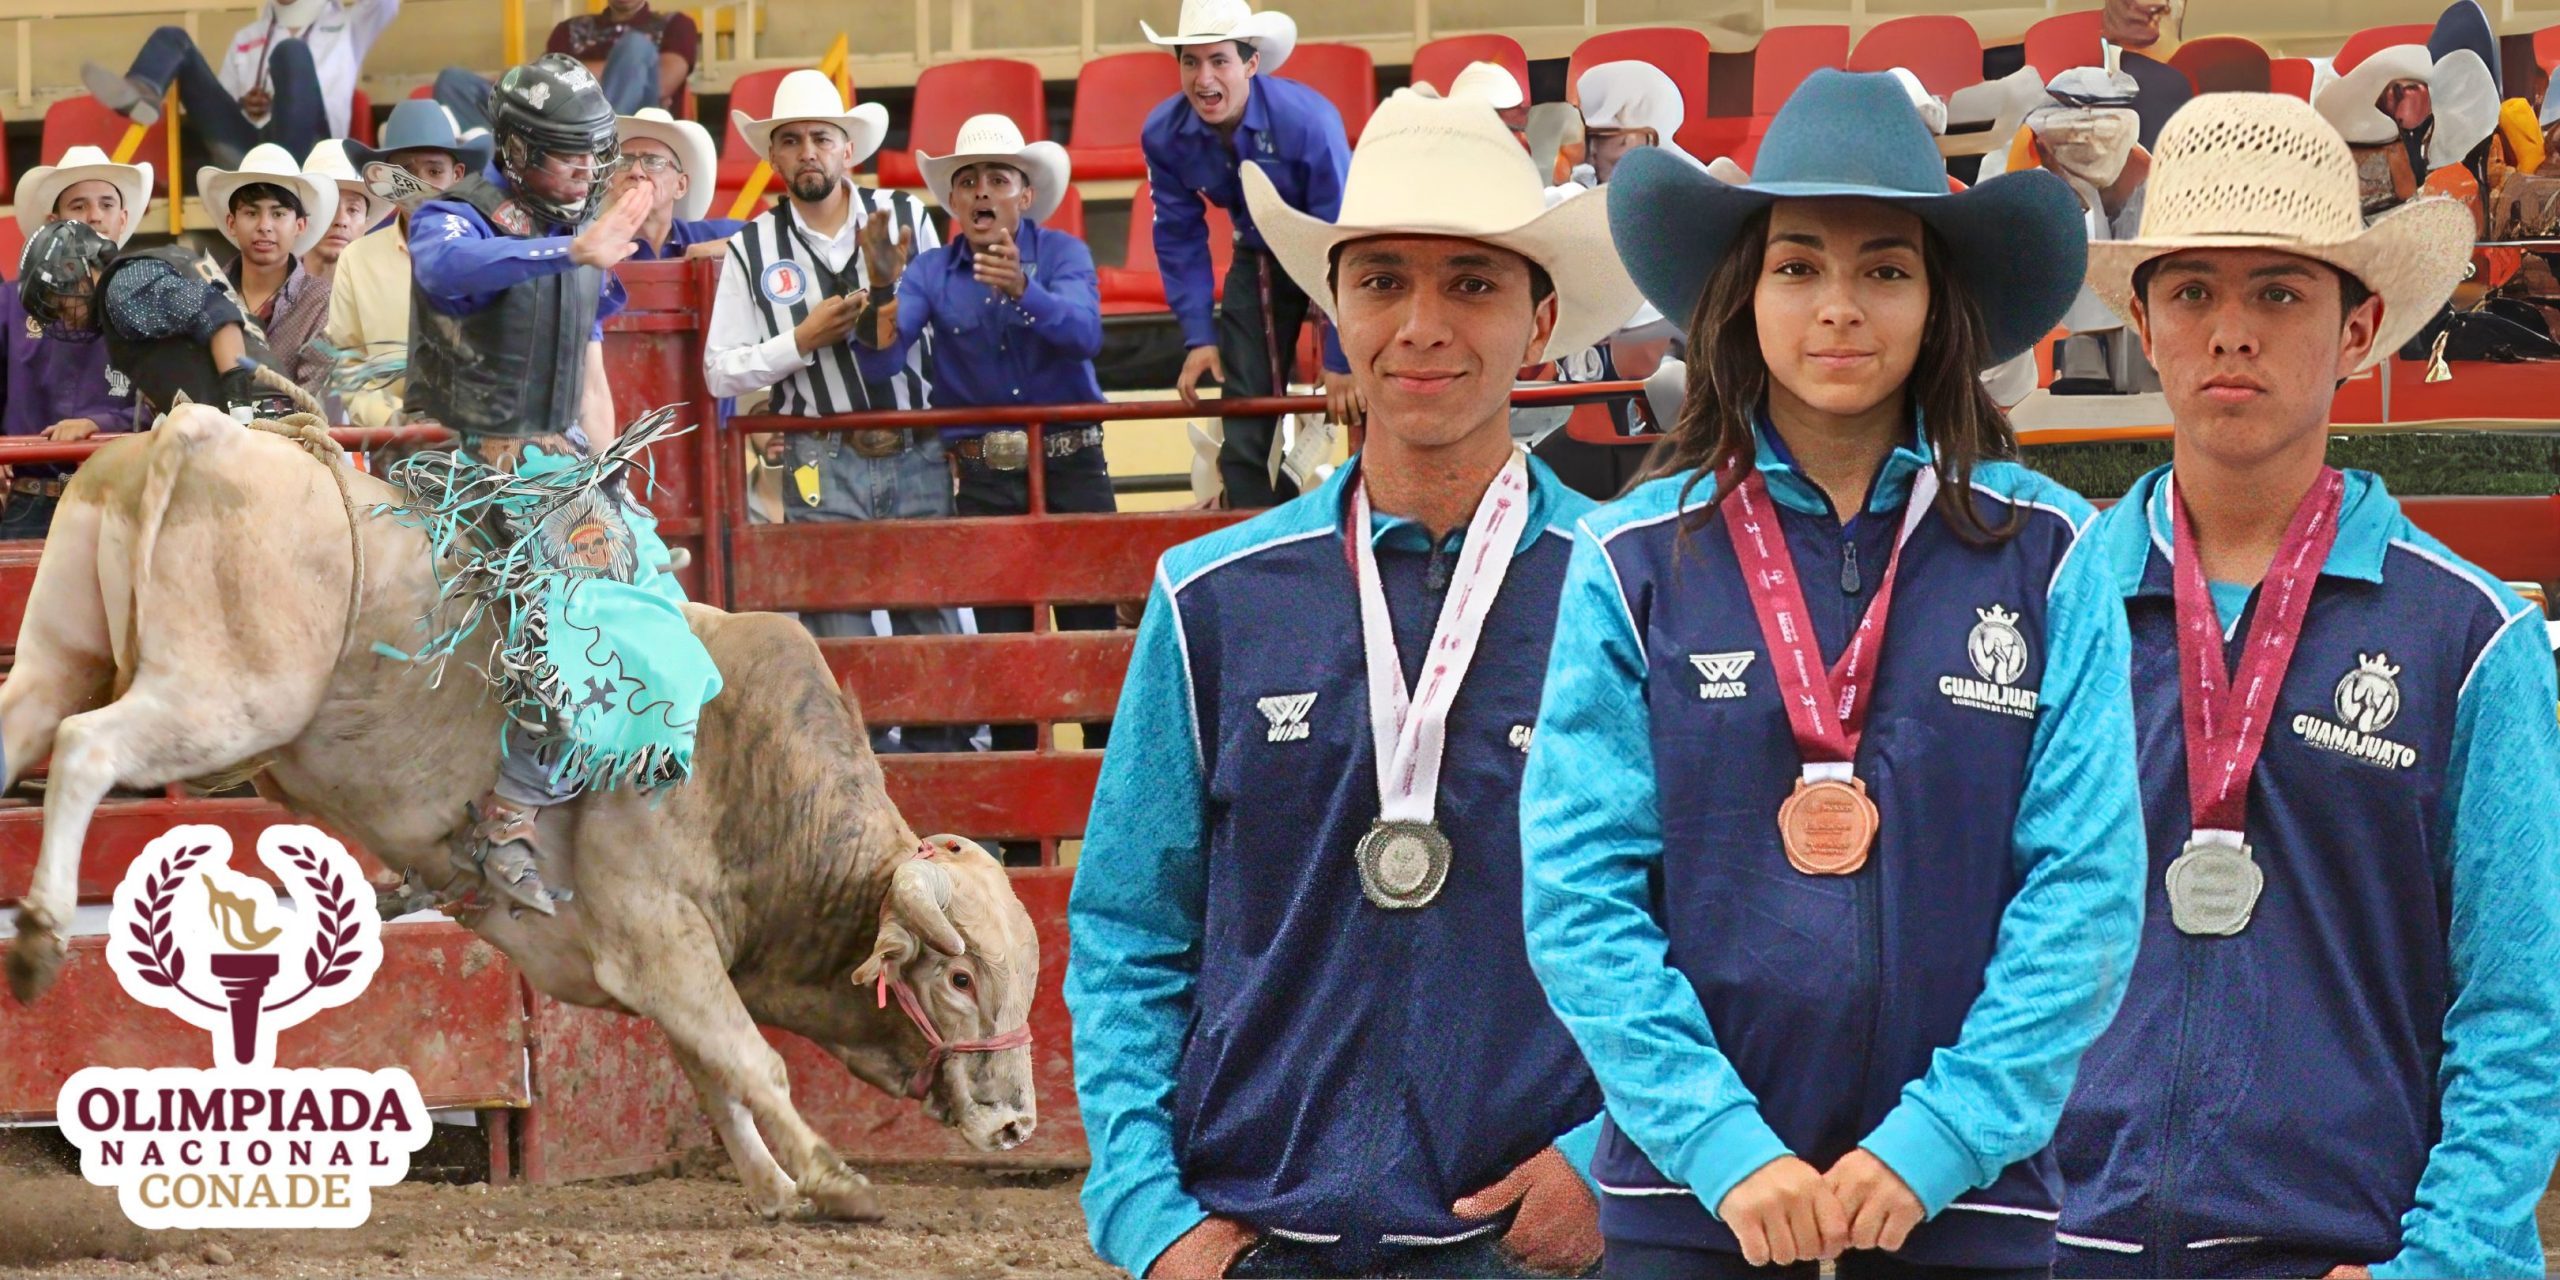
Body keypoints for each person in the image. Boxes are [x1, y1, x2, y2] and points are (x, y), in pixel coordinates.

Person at [1519, 69, 2146, 1279]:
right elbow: (1579, 892)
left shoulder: (2052, 551)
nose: (1839, 307)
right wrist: (1719, 1144)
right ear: (1741, 295)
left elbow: (2085, 891)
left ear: (1937, 301)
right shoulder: (1631, 557)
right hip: (1693, 1205)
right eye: (1797, 265)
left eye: (1886, 269)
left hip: (1968, 1204)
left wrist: (1937, 1139)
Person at [1069, 81, 1647, 1280]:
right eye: (1382, 280)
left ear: (1541, 321)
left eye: (1471, 283)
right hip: (1250, 1242)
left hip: (1534, 1250)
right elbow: (1130, 923)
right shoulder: (1211, 598)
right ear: (1335, 308)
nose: (1422, 324)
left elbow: (1702, 924)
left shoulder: (1635, 593)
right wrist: (1146, 1216)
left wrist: (1609, 1160)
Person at [2052, 91, 2560, 1280]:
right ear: (2142, 318)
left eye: (2277, 291)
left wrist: (2441, 1265)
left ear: (2356, 326)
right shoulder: (2041, 609)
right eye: (2192, 292)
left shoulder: (2468, 637)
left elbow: (2516, 1009)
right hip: (2053, 1246)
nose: (2231, 330)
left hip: (2340, 1253)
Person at [403, 53, 719, 916]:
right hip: (476, 456)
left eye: (592, 154)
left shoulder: (587, 236)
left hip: (560, 462)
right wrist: (561, 248)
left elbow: (588, 367)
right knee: (574, 613)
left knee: (654, 600)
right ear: (512, 145)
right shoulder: (453, 213)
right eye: (565, 154)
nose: (585, 170)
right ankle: (507, 818)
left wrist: (606, 471)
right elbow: (445, 275)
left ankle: (601, 812)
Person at [701, 70, 965, 755]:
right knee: (836, 625)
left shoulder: (908, 218)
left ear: (848, 149)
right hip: (817, 454)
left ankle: (948, 776)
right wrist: (801, 341)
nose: (807, 151)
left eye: (821, 137)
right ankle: (861, 785)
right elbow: (717, 369)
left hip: (915, 443)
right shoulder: (749, 247)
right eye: (790, 140)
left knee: (931, 613)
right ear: (774, 157)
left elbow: (950, 328)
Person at [855, 113, 1116, 764]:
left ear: (1025, 196)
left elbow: (1086, 335)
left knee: (1094, 654)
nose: (979, 193)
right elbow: (881, 362)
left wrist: (1025, 292)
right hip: (988, 480)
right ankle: (1027, 846)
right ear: (953, 199)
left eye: (997, 179)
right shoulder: (929, 274)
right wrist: (882, 288)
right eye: (967, 181)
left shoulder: (1063, 255)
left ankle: (1108, 830)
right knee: (1007, 667)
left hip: (1072, 465)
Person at [1140, 0, 1357, 508]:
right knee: (1245, 416)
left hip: (1340, 255)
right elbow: (1177, 234)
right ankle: (1250, 536)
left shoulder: (1308, 122)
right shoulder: (1163, 134)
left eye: (1219, 60)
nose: (1203, 77)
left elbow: (1343, 239)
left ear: (1251, 64)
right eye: (1190, 62)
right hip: (1258, 252)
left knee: (1359, 396)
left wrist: (1341, 354)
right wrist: (1197, 335)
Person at [15, 219, 300, 425]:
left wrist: (240, 409)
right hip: (275, 407)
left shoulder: (121, 291)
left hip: (255, 415)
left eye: (61, 304)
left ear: (70, 268)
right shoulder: (138, 275)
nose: (67, 319)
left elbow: (218, 312)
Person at [0, 147, 148, 539]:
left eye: (106, 204)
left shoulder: (151, 302)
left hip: (119, 500)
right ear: (54, 222)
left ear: (123, 219)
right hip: (29, 499)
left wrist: (96, 425)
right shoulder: (10, 304)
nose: (94, 216)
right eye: (78, 205)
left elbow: (165, 406)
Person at [81, 0, 399, 170]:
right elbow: (222, 103)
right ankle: (144, 91)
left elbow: (386, 3)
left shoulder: (346, 25)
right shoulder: (247, 36)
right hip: (246, 150)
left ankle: (284, 175)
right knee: (172, 36)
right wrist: (243, 103)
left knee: (291, 53)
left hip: (309, 153)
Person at [328, 99, 489, 428]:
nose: (418, 185)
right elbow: (348, 365)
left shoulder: (491, 252)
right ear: (384, 179)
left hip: (482, 443)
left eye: (433, 171)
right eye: (404, 173)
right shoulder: (357, 261)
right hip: (395, 447)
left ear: (457, 176)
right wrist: (391, 419)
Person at [201, 144, 337, 409]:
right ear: (232, 223)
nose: (264, 226)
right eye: (251, 213)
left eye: (278, 214)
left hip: (292, 445)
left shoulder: (321, 300)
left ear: (300, 225)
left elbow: (311, 402)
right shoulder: (205, 292)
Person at [435, 0, 696, 132]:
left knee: (635, 48)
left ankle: (599, 150)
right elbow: (543, 80)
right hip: (557, 121)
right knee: (453, 82)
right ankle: (505, 162)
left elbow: (664, 80)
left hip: (626, 126)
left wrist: (570, 73)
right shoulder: (569, 30)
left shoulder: (674, 24)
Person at [612, 107, 742, 260]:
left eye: (653, 161)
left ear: (681, 186)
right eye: (623, 162)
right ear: (610, 182)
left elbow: (774, 236)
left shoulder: (710, 235)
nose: (636, 171)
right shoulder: (593, 244)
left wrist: (712, 250)